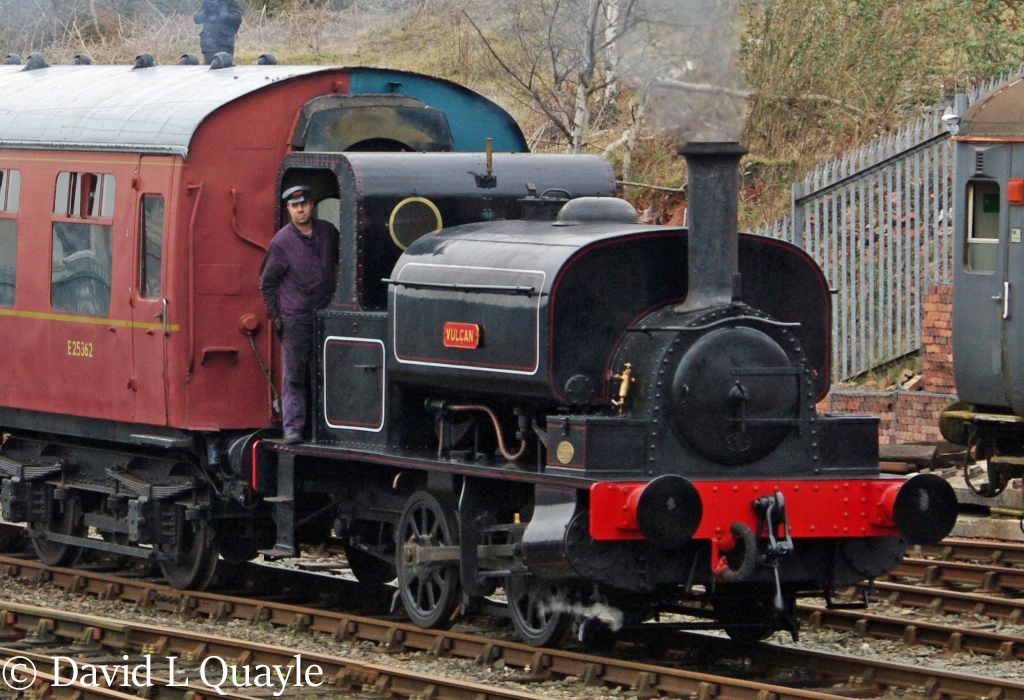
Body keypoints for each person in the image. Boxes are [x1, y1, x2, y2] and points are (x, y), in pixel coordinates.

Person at [260, 186, 339, 444]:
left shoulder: (328, 232)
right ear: (288, 209)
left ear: (312, 204)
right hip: (295, 319)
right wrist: (276, 316)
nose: (300, 209)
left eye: (303, 204)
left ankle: (324, 427)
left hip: (326, 317)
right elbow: (266, 283)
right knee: (294, 376)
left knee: (325, 373)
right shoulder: (281, 242)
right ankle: (293, 428)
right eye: (295, 206)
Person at [193, 0, 243, 65]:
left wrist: (220, 13)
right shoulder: (207, 2)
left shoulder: (231, 2)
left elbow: (238, 19)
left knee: (226, 71)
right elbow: (197, 19)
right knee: (208, 71)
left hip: (225, 46)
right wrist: (206, 11)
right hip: (208, 46)